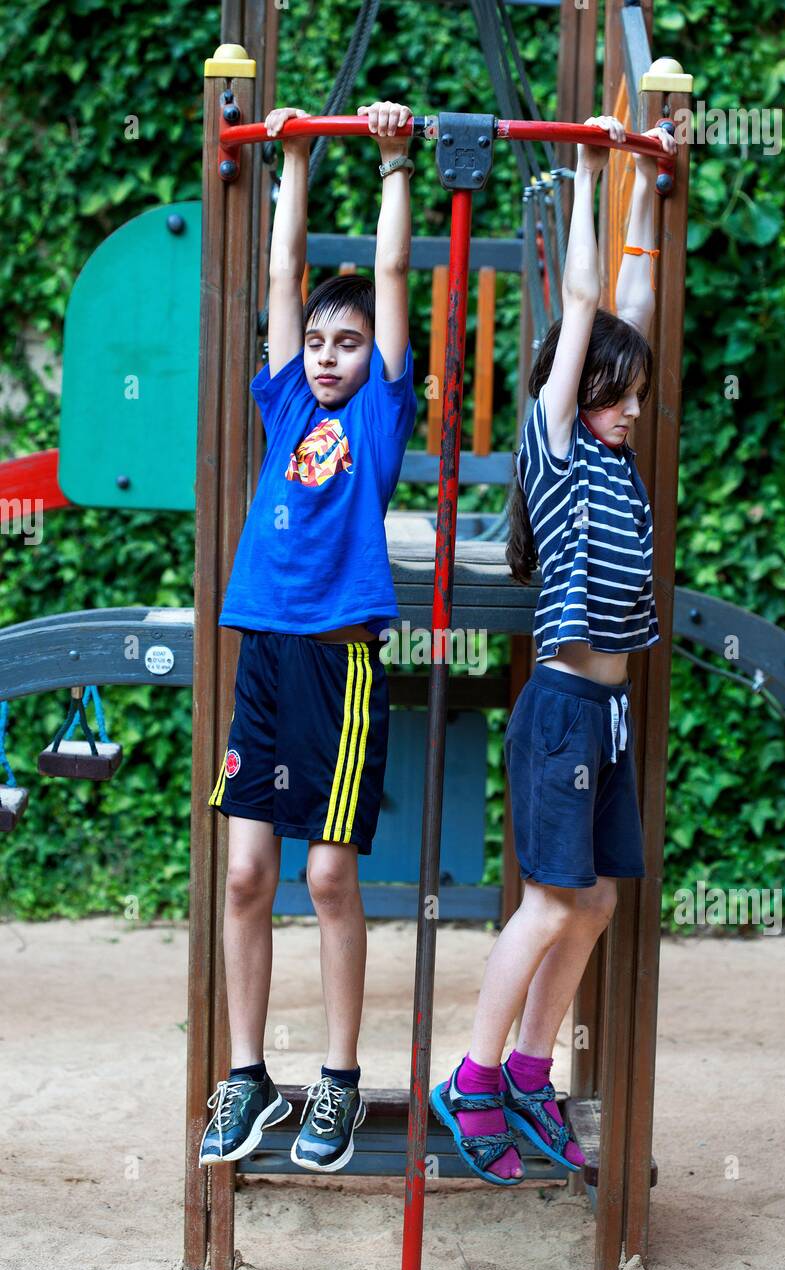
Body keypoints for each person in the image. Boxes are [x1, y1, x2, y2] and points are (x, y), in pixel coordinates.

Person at [431, 114, 677, 1184]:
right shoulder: (560, 450)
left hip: (606, 712)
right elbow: (585, 306)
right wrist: (585, 164)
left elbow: (630, 307)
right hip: (563, 709)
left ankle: (529, 1071)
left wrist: (651, 198)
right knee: (549, 900)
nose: (627, 408)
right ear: (575, 397)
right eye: (613, 395)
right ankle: (472, 1080)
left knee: (601, 899)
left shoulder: (619, 466)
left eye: (633, 395)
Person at [199, 99, 418, 1173]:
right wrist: (292, 158)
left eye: (347, 346)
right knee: (243, 875)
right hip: (264, 653)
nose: (327, 355)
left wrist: (388, 168)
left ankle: (335, 1078)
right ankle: (248, 1076)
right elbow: (284, 277)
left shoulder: (376, 416)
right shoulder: (284, 401)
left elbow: (381, 282)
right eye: (320, 345)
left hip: (338, 659)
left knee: (328, 876)